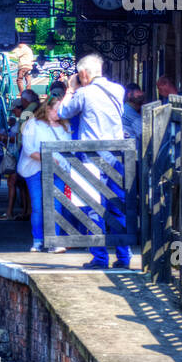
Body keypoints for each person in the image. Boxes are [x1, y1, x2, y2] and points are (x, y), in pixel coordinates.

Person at [58, 53, 131, 270]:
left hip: (90, 156)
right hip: (116, 155)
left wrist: (70, 89)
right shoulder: (118, 90)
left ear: (83, 74)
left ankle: (99, 257)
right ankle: (124, 257)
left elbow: (63, 111)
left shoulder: (83, 93)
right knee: (117, 207)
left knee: (92, 207)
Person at [19, 98, 74, 253]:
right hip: (35, 169)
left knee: (56, 205)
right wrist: (48, 158)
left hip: (57, 170)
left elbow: (69, 148)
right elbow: (29, 149)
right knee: (38, 206)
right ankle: (38, 240)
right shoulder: (32, 124)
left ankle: (53, 241)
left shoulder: (66, 126)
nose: (60, 113)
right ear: (47, 108)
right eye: (57, 109)